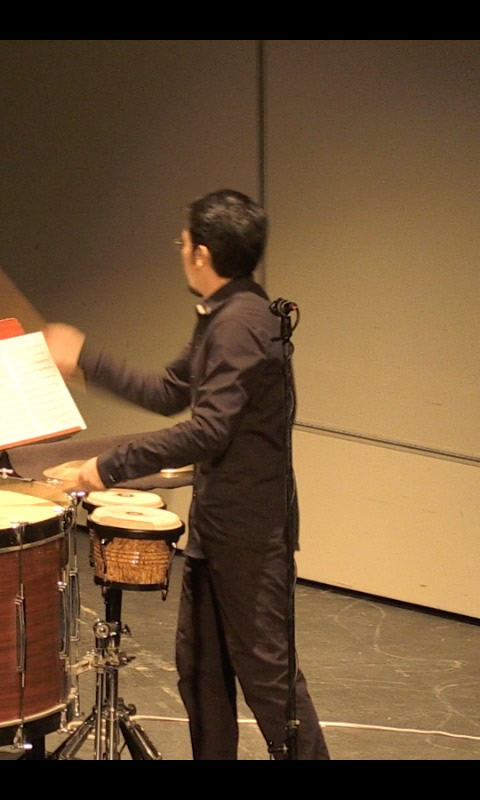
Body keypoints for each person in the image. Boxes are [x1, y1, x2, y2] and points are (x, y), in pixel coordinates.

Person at [43, 189, 329, 760]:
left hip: (249, 535)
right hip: (220, 528)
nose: (180, 250)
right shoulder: (226, 313)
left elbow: (208, 432)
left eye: (183, 242)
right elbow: (170, 390)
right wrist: (85, 362)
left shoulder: (240, 324)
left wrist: (107, 466)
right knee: (200, 673)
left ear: (201, 253)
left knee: (270, 683)